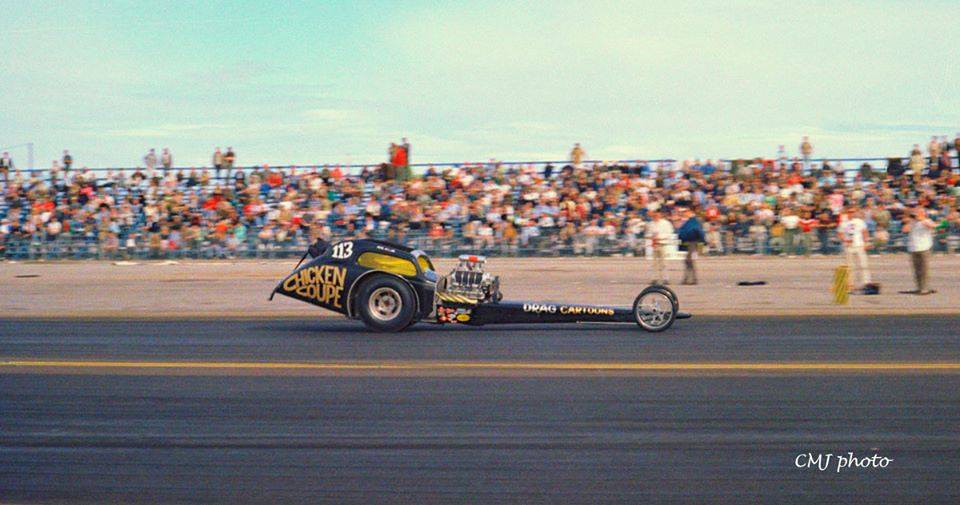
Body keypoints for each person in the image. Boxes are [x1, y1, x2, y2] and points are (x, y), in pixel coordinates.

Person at [903, 207, 935, 295]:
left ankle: (924, 288)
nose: (916, 214)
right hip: (913, 248)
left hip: (924, 247)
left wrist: (922, 219)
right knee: (916, 270)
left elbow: (932, 226)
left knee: (924, 269)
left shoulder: (927, 221)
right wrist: (910, 220)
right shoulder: (912, 222)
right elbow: (905, 229)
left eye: (919, 212)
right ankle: (919, 287)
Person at [837, 207, 871, 290]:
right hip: (849, 246)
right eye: (849, 212)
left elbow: (865, 232)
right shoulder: (843, 223)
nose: (851, 213)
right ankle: (850, 284)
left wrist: (866, 242)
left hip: (859, 245)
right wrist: (844, 240)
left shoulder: (859, 221)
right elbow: (840, 233)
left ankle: (866, 283)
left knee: (863, 265)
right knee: (849, 266)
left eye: (853, 212)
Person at [645, 209, 674, 285]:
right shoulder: (650, 224)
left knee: (664, 263)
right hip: (654, 245)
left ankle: (665, 278)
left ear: (660, 215)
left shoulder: (666, 223)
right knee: (654, 263)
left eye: (657, 215)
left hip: (662, 244)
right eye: (654, 215)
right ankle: (654, 278)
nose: (656, 216)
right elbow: (647, 234)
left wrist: (660, 237)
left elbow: (669, 234)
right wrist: (652, 237)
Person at [677, 208, 704, 285]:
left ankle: (691, 279)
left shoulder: (692, 221)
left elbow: (695, 231)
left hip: (692, 242)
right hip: (689, 242)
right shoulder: (689, 221)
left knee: (689, 260)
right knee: (688, 261)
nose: (684, 213)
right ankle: (690, 278)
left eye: (685, 212)